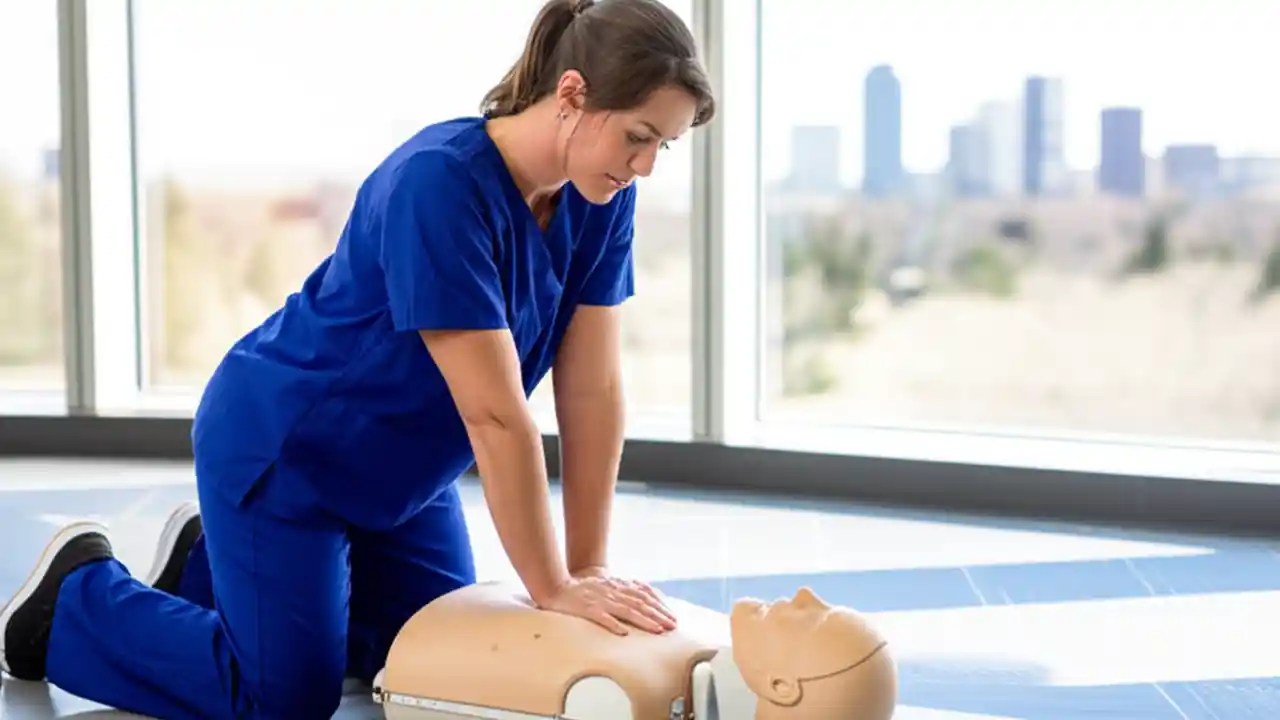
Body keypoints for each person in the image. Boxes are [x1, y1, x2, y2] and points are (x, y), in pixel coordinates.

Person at [0, 0, 716, 716]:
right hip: (290, 451)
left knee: (433, 661)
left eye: (666, 146)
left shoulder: (600, 195)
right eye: (639, 136)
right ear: (571, 95)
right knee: (285, 698)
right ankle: (75, 598)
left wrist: (589, 567)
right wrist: (555, 586)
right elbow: (497, 416)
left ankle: (208, 575)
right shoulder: (440, 184)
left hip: (407, 476)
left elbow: (592, 391)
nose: (647, 165)